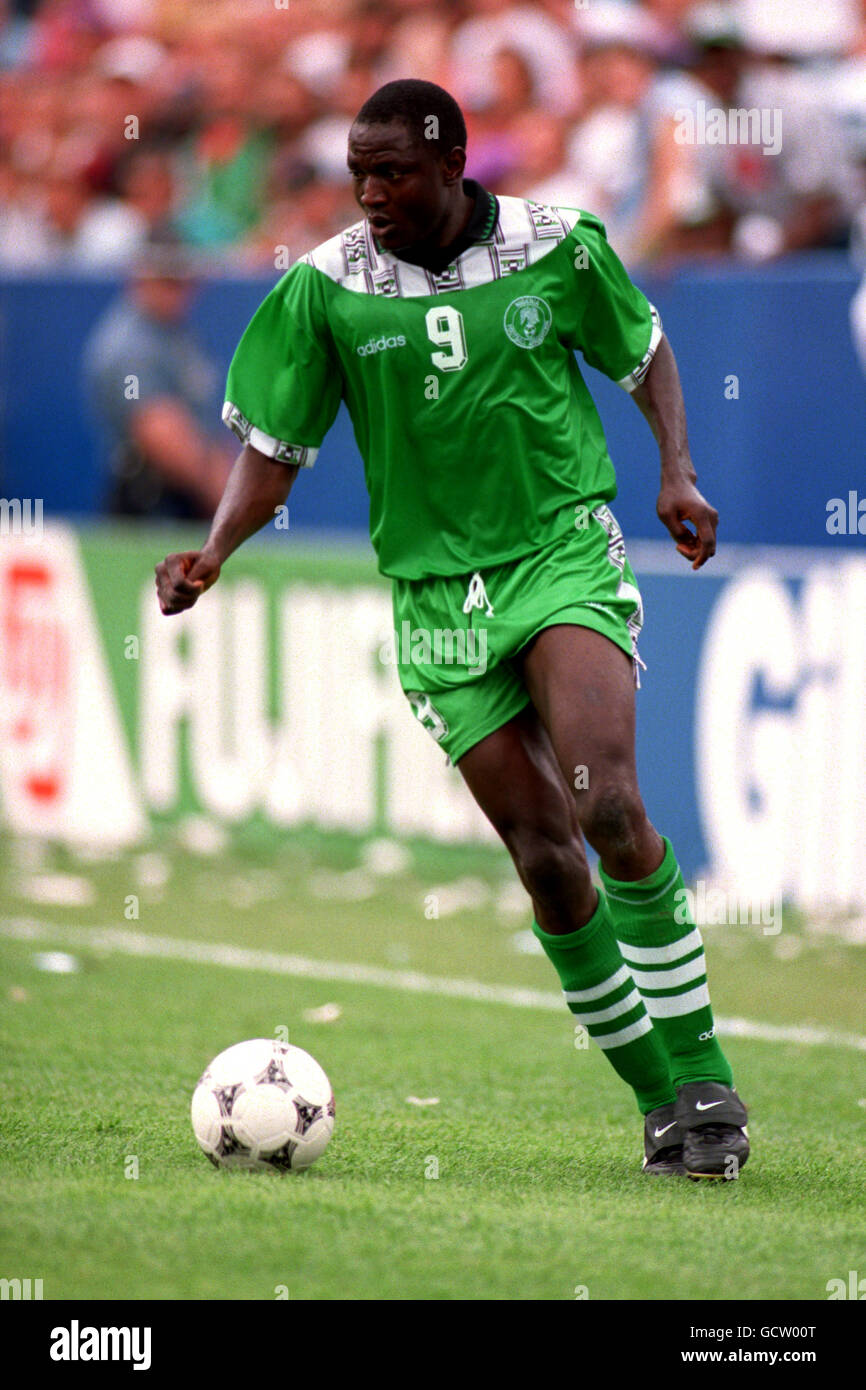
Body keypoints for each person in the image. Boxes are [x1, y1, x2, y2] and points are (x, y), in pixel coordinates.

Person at [155, 78, 749, 1180]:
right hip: (434, 598)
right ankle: (662, 1101)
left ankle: (705, 1073)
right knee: (544, 855)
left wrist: (673, 469)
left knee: (606, 801)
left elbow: (641, 352)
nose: (370, 194)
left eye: (392, 173)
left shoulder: (554, 245)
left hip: (557, 548)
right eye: (357, 174)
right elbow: (274, 446)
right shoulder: (326, 288)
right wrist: (216, 550)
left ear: (451, 163)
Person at [84, 241, 232, 519]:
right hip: (154, 506)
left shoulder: (175, 333)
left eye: (183, 283)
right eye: (168, 282)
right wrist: (228, 503)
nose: (179, 293)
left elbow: (207, 420)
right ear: (141, 279)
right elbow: (164, 440)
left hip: (187, 502)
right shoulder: (130, 347)